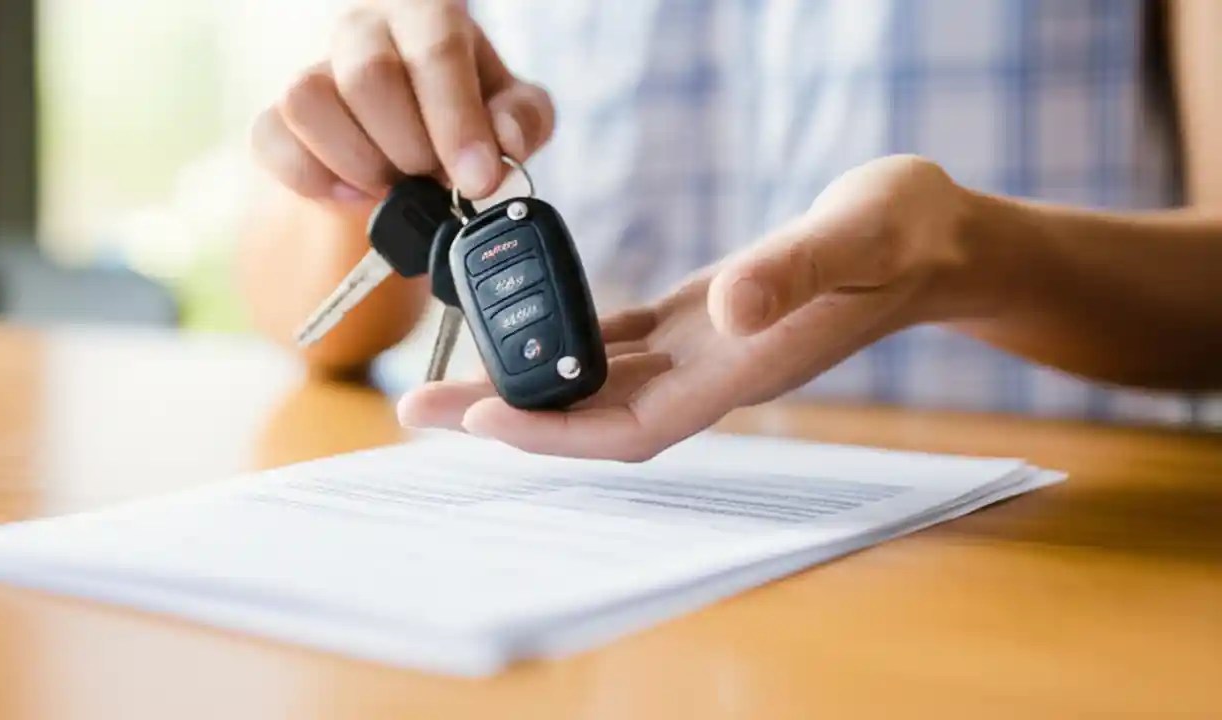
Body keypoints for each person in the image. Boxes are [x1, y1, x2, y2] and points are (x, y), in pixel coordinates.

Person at [241, 0, 1222, 459]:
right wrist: (371, 157)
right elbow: (297, 318)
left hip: (1051, 547)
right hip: (580, 558)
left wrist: (971, 257)